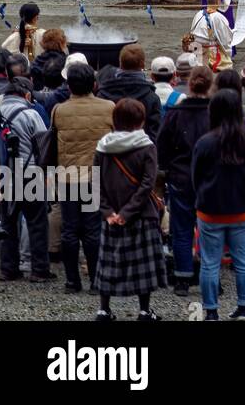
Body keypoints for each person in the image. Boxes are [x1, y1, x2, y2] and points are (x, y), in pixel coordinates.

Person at [92, 98, 165, 321]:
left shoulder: (103, 146)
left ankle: (104, 309)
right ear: (141, 120)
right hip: (141, 215)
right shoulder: (147, 146)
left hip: (111, 215)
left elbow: (95, 182)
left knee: (108, 263)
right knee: (143, 266)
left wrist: (107, 211)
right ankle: (144, 311)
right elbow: (147, 183)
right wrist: (128, 212)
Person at [192, 88, 245, 320]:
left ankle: (211, 310)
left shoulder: (205, 143)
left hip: (210, 211)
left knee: (210, 263)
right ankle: (244, 308)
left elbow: (196, 176)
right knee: (243, 260)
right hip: (241, 209)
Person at [52, 61, 115, 293]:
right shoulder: (109, 108)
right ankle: (96, 281)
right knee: (92, 229)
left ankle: (71, 281)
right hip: (96, 176)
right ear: (94, 84)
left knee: (70, 230)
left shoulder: (59, 110)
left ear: (69, 86)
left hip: (67, 176)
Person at [156, 65, 214, 295]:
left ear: (189, 85)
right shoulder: (215, 114)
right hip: (210, 179)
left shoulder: (175, 114)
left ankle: (182, 277)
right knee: (209, 229)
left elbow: (162, 146)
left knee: (181, 230)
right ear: (210, 85)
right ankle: (211, 278)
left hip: (181, 177)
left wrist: (168, 168)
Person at [0, 77, 51, 283]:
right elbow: (43, 146)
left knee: (8, 223)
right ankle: (39, 270)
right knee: (37, 222)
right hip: (30, 174)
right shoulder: (31, 114)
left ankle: (8, 269)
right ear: (26, 95)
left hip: (4, 174)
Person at [96, 44, 163, 140]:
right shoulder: (152, 98)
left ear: (120, 63)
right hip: (141, 151)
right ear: (143, 65)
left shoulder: (102, 95)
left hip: (109, 150)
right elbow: (154, 135)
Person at [191, 0, 234, 72]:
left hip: (196, 47)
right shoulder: (218, 17)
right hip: (209, 50)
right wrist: (228, 52)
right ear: (218, 2)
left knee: (199, 69)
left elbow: (192, 30)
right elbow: (225, 38)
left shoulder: (198, 14)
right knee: (226, 66)